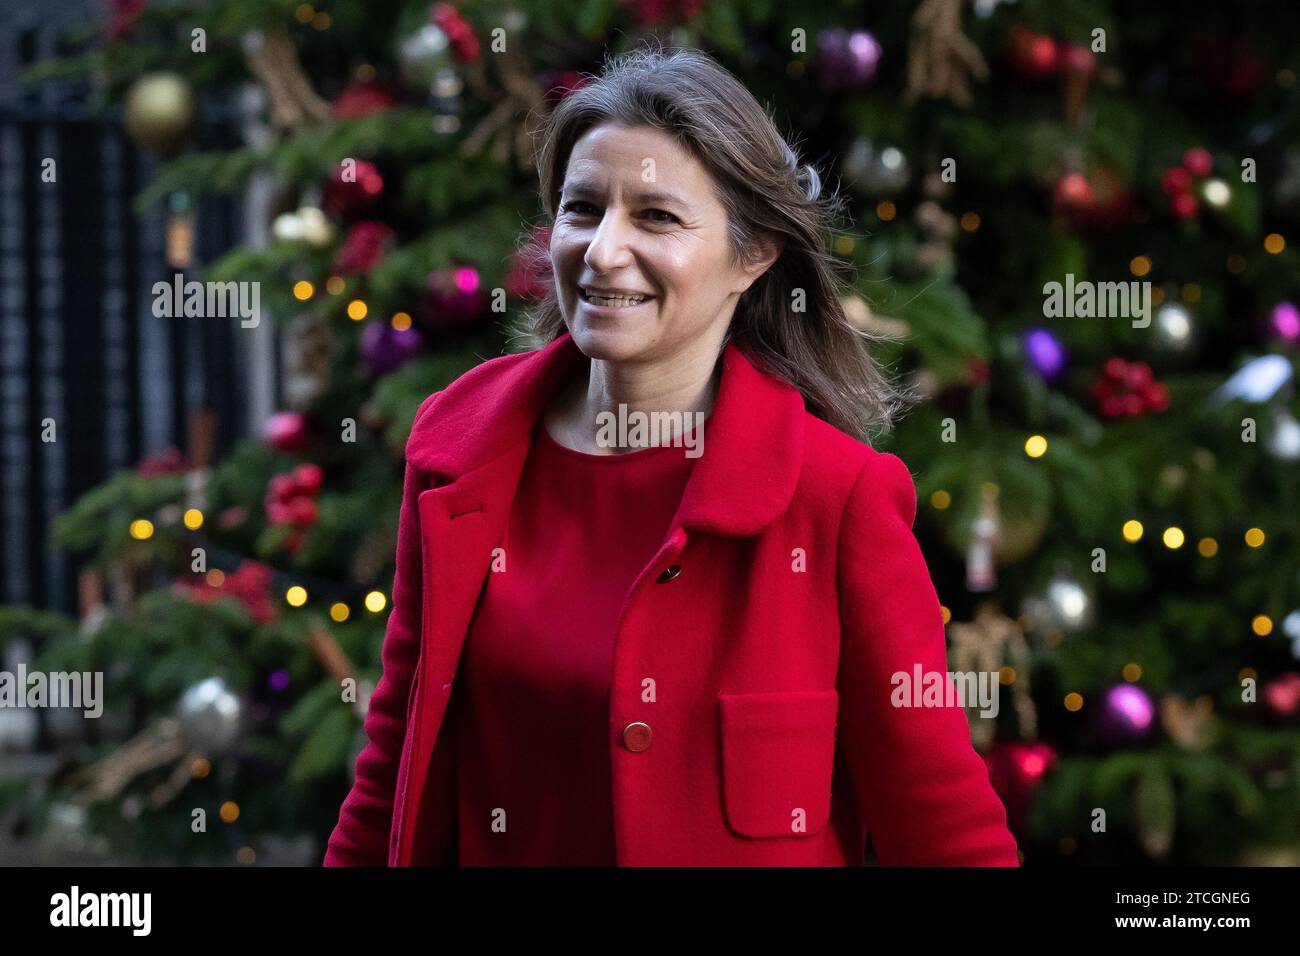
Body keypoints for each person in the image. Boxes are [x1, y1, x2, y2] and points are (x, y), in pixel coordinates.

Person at [324, 44, 1019, 867]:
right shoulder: (457, 451)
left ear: (753, 255)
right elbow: (392, 777)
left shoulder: (838, 498)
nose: (604, 250)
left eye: (656, 217)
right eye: (583, 209)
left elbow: (946, 837)